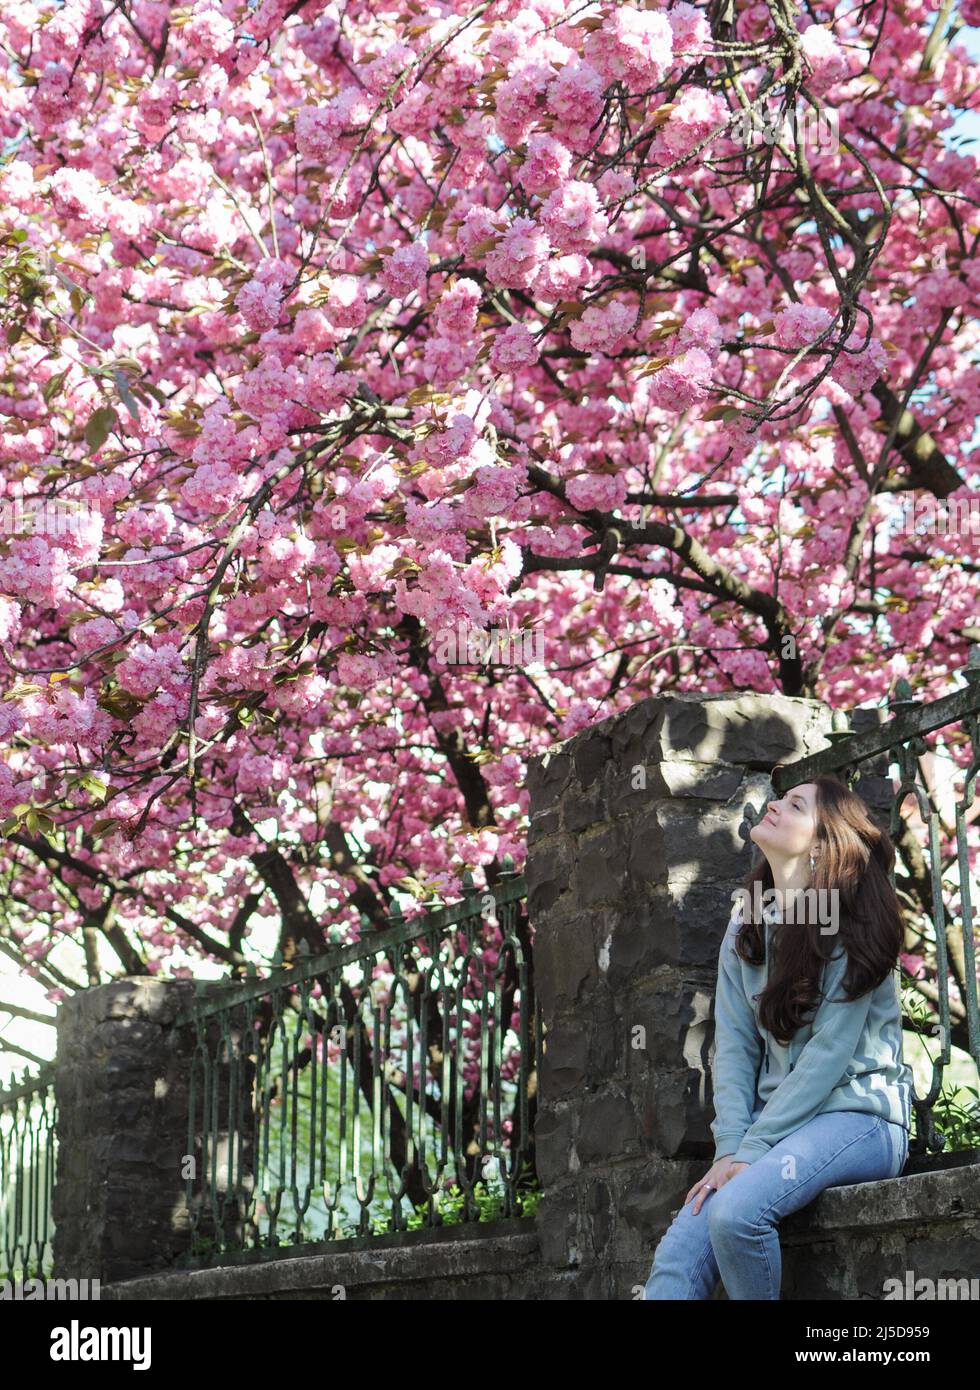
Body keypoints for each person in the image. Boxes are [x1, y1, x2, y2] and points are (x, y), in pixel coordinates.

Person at [644, 774, 914, 1300]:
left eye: (795, 805)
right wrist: (729, 1150)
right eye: (781, 798)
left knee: (736, 1213)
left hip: (858, 1117)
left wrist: (753, 1151)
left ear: (822, 844)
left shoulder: (852, 921)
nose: (773, 805)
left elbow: (828, 1056)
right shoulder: (747, 925)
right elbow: (736, 1051)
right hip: (777, 1133)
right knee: (678, 1252)